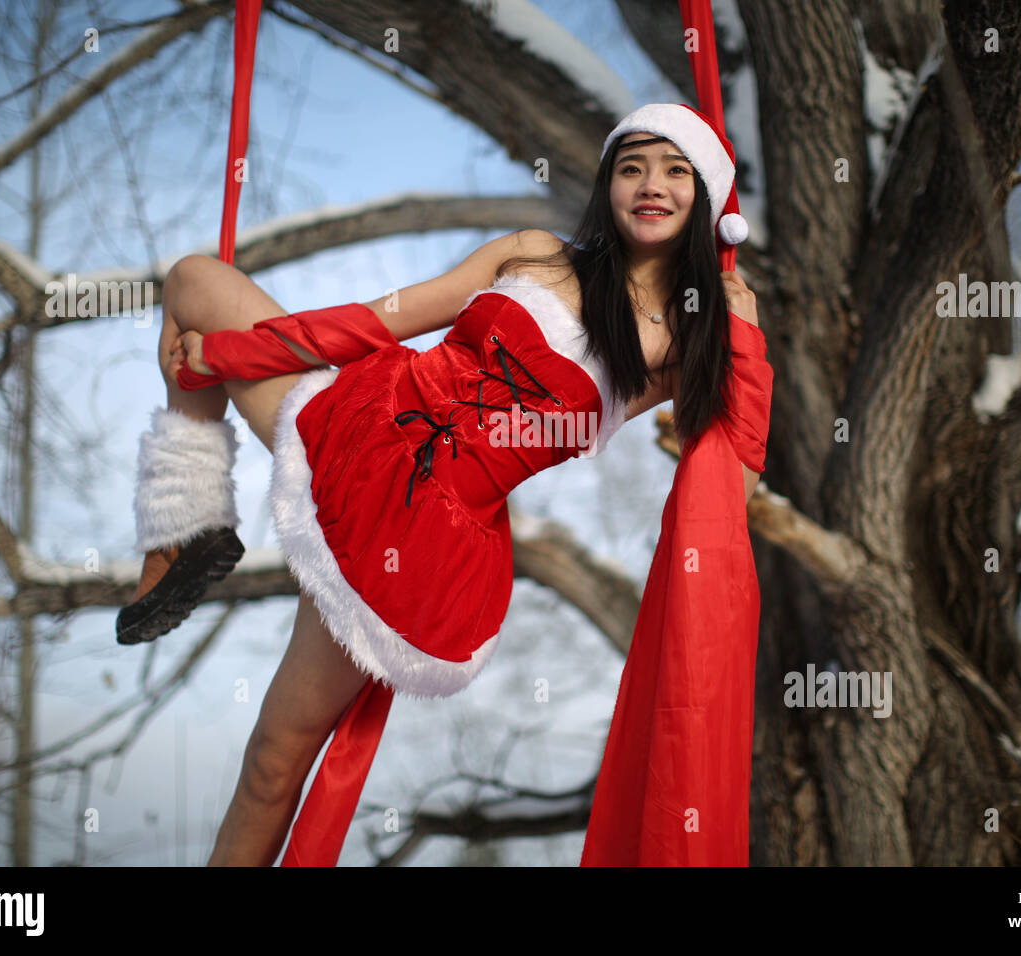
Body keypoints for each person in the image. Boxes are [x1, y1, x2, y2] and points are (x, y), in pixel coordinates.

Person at [118, 102, 769, 865]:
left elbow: (736, 462)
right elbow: (379, 320)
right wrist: (227, 354)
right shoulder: (533, 253)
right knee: (195, 280)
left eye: (674, 170)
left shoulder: (682, 339)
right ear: (607, 184)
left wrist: (743, 326)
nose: (649, 185)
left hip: (413, 532)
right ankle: (186, 526)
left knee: (272, 757)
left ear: (707, 196)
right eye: (632, 167)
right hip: (355, 423)